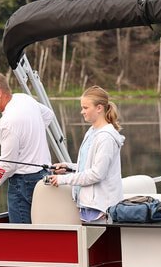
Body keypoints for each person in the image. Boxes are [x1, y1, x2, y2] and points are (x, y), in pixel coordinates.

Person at [0, 71, 56, 224]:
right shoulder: (23, 98)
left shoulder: (7, 122)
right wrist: (31, 137)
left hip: (22, 183)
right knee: (41, 227)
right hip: (43, 175)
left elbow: (8, 165)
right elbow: (48, 114)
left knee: (22, 234)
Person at [47, 86, 125, 221]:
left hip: (101, 208)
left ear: (99, 108)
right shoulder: (91, 131)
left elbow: (97, 174)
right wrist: (68, 167)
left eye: (85, 107)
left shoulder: (106, 137)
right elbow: (88, 165)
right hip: (88, 206)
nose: (82, 111)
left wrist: (63, 180)